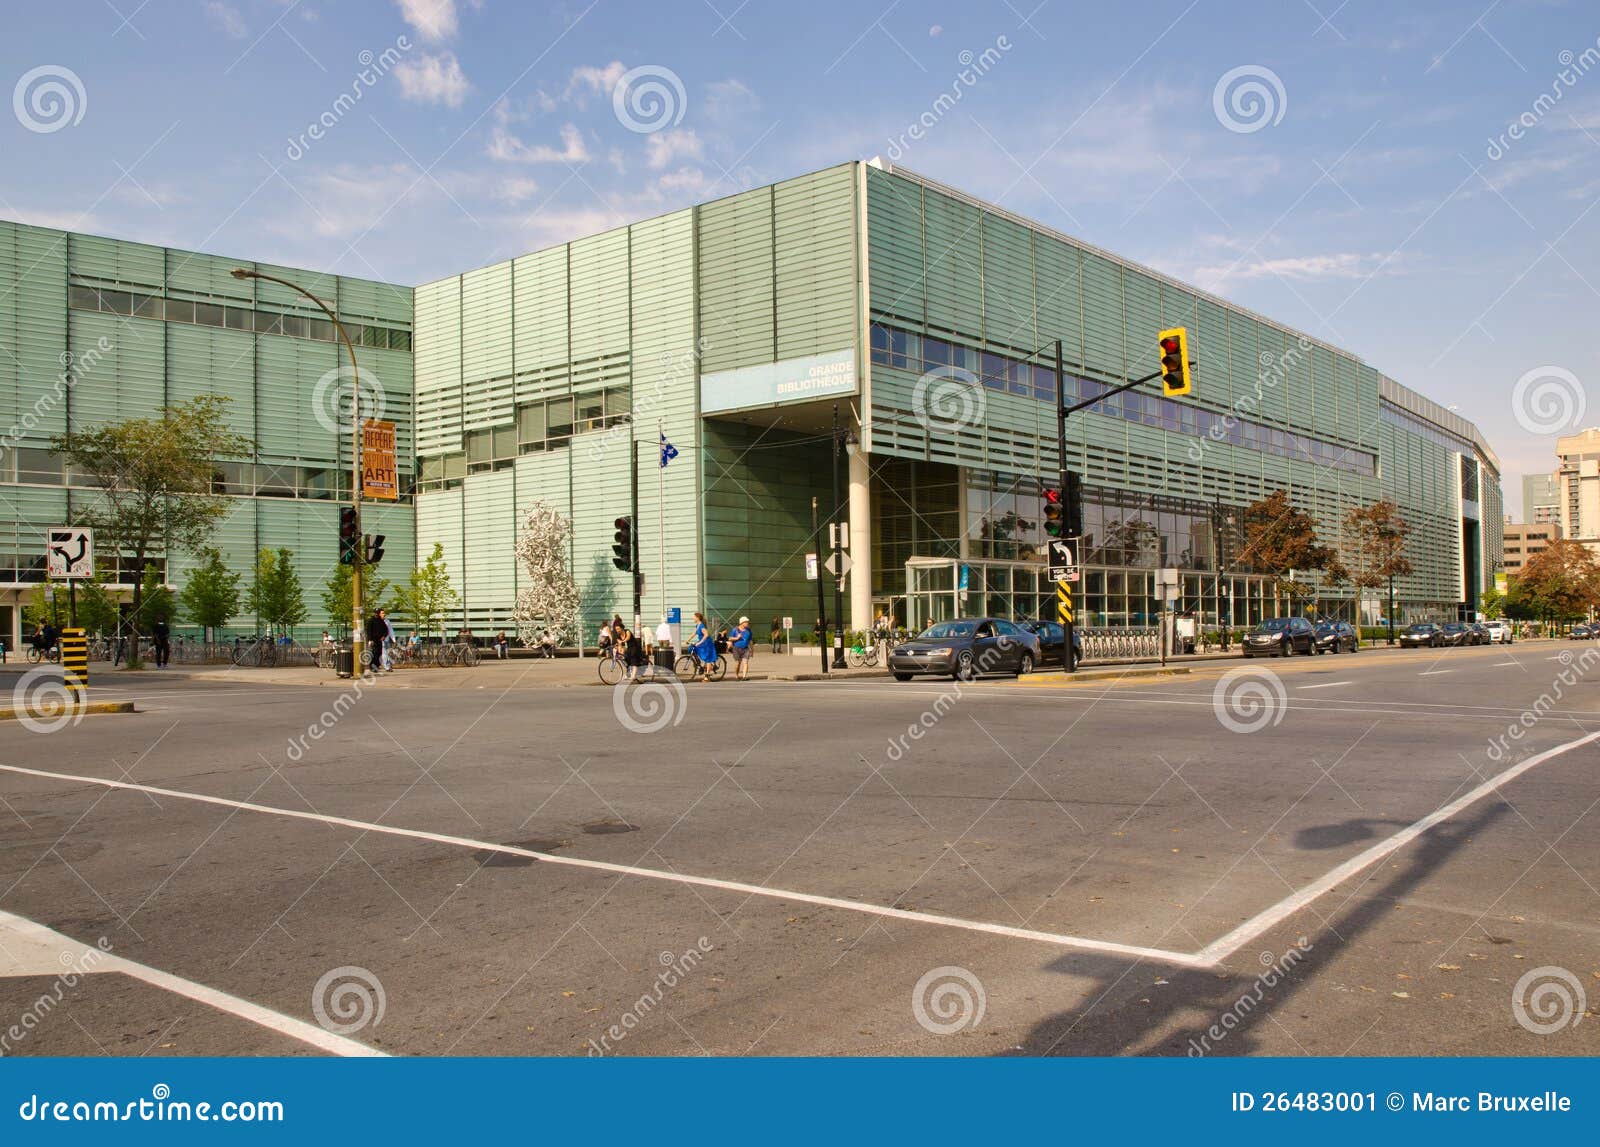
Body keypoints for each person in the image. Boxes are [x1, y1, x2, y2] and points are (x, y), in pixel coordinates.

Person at [691, 611, 717, 682]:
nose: (693, 618)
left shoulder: (702, 626)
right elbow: (694, 633)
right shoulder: (697, 625)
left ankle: (707, 676)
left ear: (698, 618)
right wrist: (687, 640)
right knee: (692, 649)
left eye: (694, 617)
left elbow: (706, 635)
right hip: (702, 643)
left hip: (707, 643)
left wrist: (699, 643)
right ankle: (701, 665)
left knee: (708, 658)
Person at [364, 608, 387, 675]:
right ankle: (372, 667)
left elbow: (385, 630)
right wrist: (370, 639)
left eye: (378, 612)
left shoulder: (381, 621)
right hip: (373, 640)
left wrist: (384, 636)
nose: (376, 614)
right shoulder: (371, 620)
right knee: (374, 653)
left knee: (379, 653)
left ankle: (376, 666)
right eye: (375, 612)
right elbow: (368, 631)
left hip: (379, 640)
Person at [730, 616, 754, 680]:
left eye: (747, 622)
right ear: (742, 622)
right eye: (746, 622)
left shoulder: (748, 630)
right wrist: (737, 638)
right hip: (736, 648)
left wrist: (752, 650)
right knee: (738, 663)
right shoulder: (735, 630)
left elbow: (750, 640)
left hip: (746, 649)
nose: (747, 623)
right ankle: (736, 675)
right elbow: (730, 638)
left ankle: (744, 677)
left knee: (745, 662)